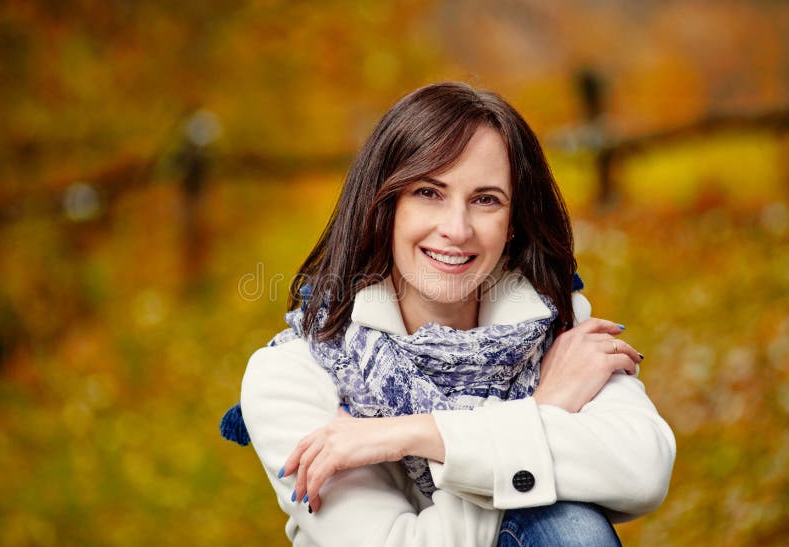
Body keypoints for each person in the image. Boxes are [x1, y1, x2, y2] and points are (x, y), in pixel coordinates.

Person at [222, 82, 676, 546]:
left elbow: (645, 470)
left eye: (486, 200)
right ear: (385, 204)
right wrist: (542, 409)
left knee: (571, 528)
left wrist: (418, 434)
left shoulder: (554, 327)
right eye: (429, 192)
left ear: (513, 221)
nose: (456, 229)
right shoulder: (293, 374)